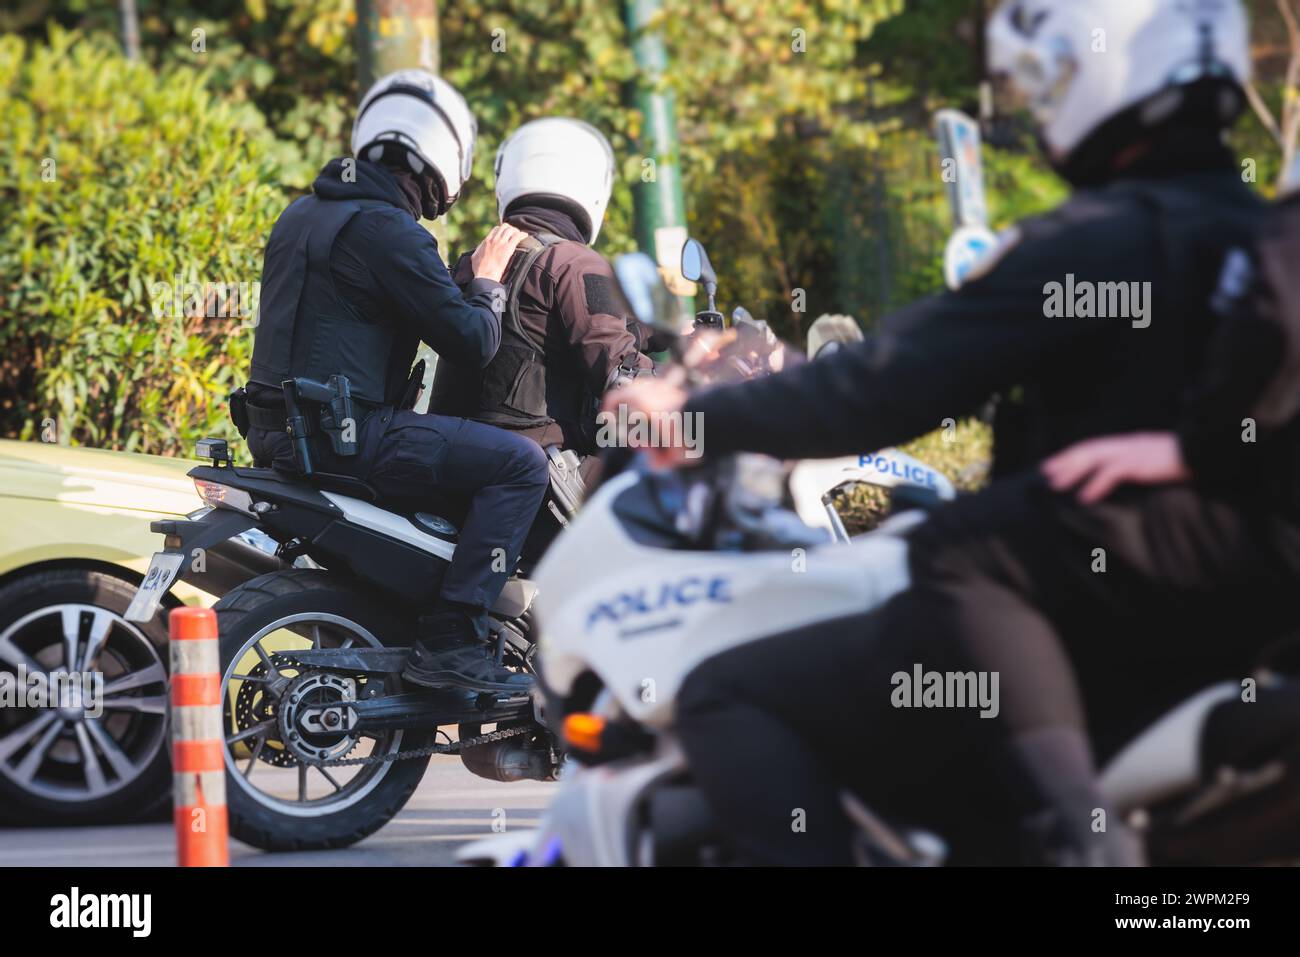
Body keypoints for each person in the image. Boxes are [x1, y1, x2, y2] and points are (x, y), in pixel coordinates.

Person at [609, 0, 1300, 864]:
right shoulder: (1261, 228)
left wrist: (697, 419)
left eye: (1040, 82)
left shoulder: (1090, 241)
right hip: (1233, 622)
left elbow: (885, 388)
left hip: (1091, 630)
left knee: (729, 691)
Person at [239, 69, 548, 693]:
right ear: (441, 158)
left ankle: (406, 619)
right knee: (517, 465)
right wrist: (487, 278)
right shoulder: (389, 230)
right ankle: (452, 638)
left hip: (274, 433)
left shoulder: (299, 215)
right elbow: (473, 341)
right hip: (345, 438)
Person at [432, 117, 653, 457]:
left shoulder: (475, 260)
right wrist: (698, 397)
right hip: (536, 469)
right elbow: (619, 373)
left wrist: (657, 331)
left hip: (448, 454)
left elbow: (543, 328)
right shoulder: (576, 263)